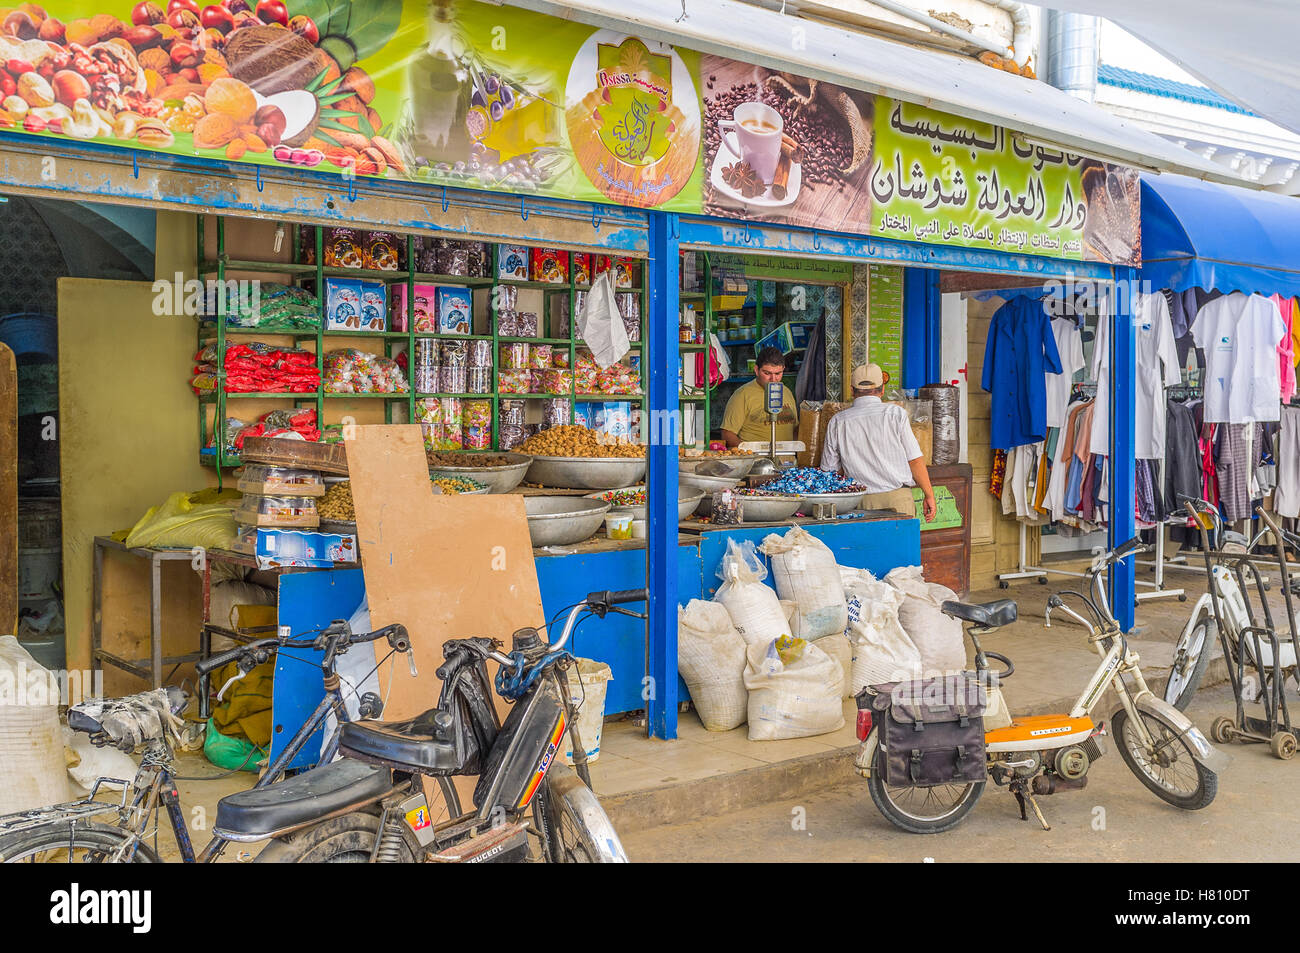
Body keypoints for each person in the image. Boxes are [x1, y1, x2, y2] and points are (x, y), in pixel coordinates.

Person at [820, 363, 936, 521]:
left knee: (866, 546)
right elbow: (914, 460)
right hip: (898, 500)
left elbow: (829, 471)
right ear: (882, 390)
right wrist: (929, 495)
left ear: (852, 391)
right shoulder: (895, 414)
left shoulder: (838, 421)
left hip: (859, 504)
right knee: (899, 546)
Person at [719, 346, 799, 449]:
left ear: (783, 369)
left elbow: (795, 428)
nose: (773, 379)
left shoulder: (787, 392)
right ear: (756, 370)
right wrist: (748, 454)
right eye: (767, 373)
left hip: (788, 460)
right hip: (756, 461)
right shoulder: (742, 395)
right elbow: (727, 434)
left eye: (778, 373)